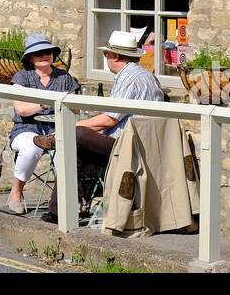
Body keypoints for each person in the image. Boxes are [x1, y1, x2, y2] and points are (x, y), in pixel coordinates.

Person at [35, 30, 163, 223]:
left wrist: (72, 125)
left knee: (75, 134)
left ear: (116, 56)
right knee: (74, 147)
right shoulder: (144, 75)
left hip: (128, 146)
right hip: (141, 142)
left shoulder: (129, 77)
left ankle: (56, 138)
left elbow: (110, 119)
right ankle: (64, 208)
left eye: (106, 54)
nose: (106, 58)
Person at [7, 34, 80, 215]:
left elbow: (76, 107)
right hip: (26, 128)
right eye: (39, 53)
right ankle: (16, 193)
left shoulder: (64, 77)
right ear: (30, 58)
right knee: (32, 148)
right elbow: (22, 110)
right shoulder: (22, 77)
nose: (44, 55)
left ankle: (60, 200)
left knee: (64, 154)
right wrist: (47, 103)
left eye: (48, 52)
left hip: (57, 129)